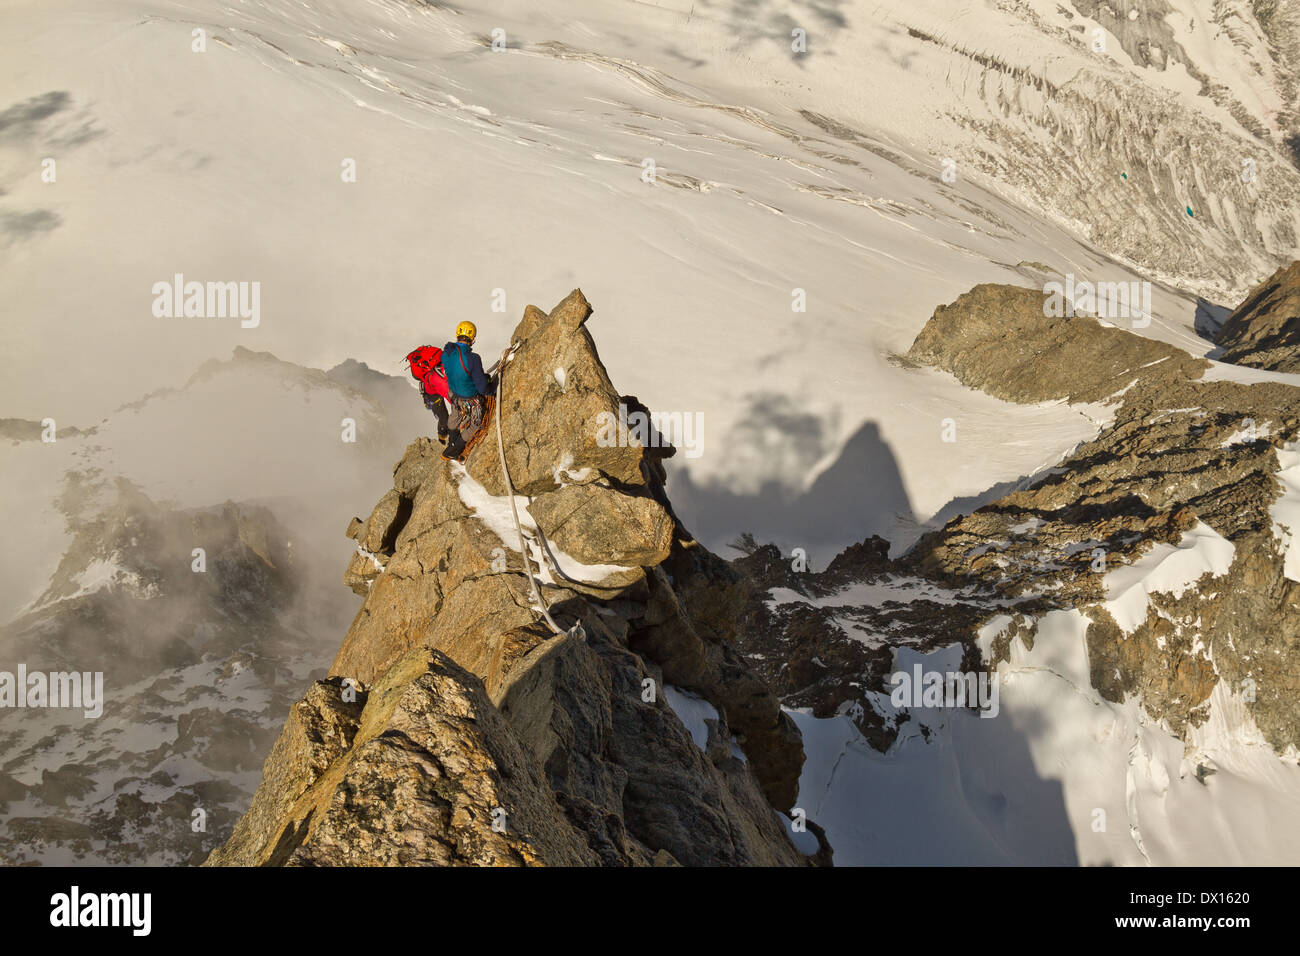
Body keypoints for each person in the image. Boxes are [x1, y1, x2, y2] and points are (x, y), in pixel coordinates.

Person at [441, 321, 492, 461]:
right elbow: (482, 388)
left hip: (454, 395)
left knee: (456, 414)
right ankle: (455, 449)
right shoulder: (473, 358)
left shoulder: (445, 354)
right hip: (470, 398)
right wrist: (491, 389)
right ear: (473, 338)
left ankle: (452, 439)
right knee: (477, 424)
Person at [405, 345, 451, 441]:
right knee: (444, 419)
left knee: (442, 416)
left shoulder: (438, 373)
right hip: (433, 390)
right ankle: (442, 437)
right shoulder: (440, 375)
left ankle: (442, 437)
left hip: (430, 389)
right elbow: (451, 397)